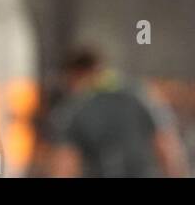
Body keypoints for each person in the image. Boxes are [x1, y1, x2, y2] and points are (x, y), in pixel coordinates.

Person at [42, 46, 187, 178]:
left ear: (75, 74)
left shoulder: (73, 109)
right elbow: (165, 144)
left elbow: (64, 163)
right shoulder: (141, 94)